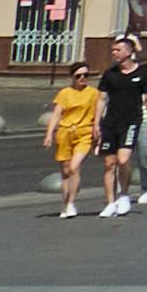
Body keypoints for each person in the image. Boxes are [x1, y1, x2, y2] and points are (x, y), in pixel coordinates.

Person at [93, 38, 147, 218]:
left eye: (117, 50)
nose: (114, 53)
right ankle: (110, 203)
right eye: (113, 50)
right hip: (111, 123)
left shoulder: (142, 73)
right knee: (109, 163)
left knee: (123, 160)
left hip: (131, 122)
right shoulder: (109, 74)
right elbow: (102, 99)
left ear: (128, 52)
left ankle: (124, 194)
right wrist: (96, 123)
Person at [45, 64, 103, 219]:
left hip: (84, 133)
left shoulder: (93, 93)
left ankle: (71, 203)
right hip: (65, 133)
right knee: (65, 171)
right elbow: (57, 114)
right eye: (78, 76)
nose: (82, 78)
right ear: (72, 77)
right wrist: (49, 133)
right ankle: (65, 205)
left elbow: (98, 112)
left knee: (74, 167)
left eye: (85, 75)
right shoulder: (65, 93)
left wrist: (97, 128)